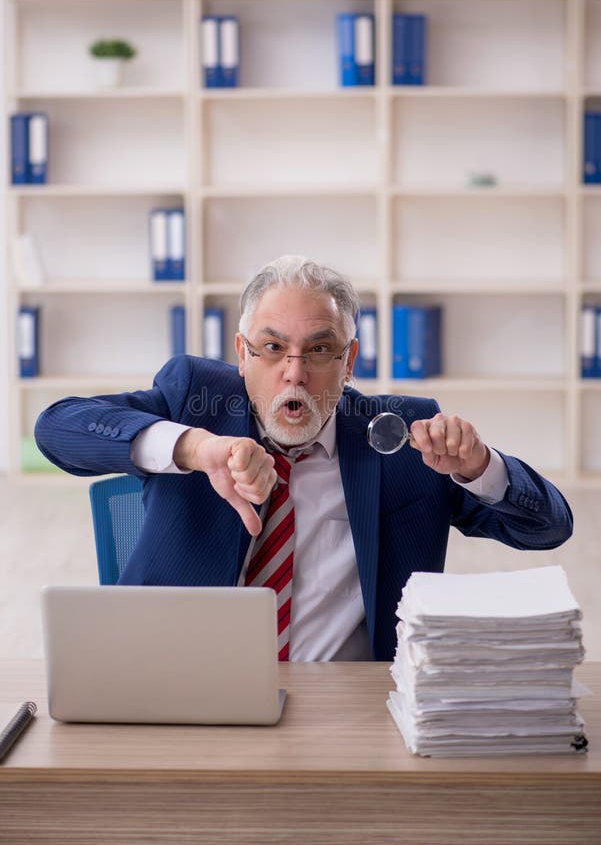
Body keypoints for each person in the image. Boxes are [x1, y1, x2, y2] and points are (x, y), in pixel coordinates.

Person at [35, 255, 573, 662]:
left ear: (349, 361)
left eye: (319, 349)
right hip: (175, 686)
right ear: (242, 355)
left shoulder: (405, 441)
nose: (294, 372)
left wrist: (480, 466)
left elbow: (548, 527)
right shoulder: (194, 399)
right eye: (272, 348)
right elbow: (57, 427)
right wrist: (197, 449)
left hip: (344, 712)